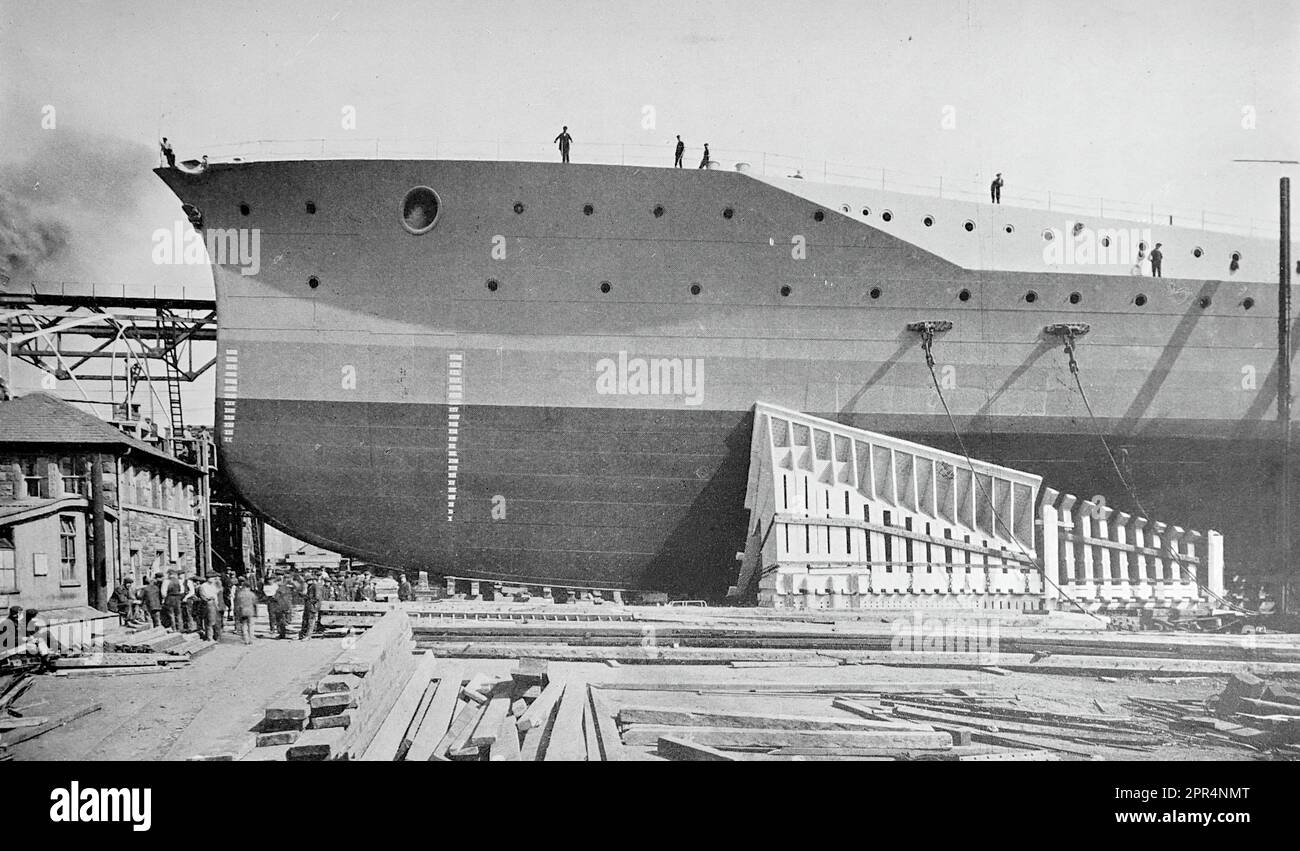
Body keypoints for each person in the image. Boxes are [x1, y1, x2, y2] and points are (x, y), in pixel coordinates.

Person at [298, 572, 324, 640]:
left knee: (311, 622)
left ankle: (308, 636)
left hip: (312, 607)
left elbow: (317, 598)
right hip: (308, 606)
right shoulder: (309, 587)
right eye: (306, 581)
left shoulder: (315, 586)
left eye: (308, 580)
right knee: (305, 621)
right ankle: (304, 634)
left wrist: (308, 599)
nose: (307, 582)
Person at [234, 579, 257, 645]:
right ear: (249, 587)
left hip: (242, 611)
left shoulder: (240, 594)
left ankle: (246, 639)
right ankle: (251, 639)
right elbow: (255, 603)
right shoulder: (252, 594)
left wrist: (237, 612)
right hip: (250, 611)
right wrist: (256, 612)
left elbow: (237, 603)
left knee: (244, 625)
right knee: (251, 625)